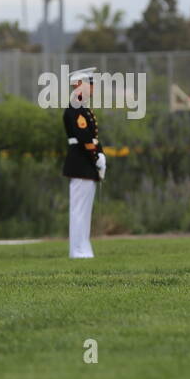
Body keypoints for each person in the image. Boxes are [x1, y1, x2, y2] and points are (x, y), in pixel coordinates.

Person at [63, 67, 104, 259]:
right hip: (81, 162)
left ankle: (83, 249)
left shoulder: (83, 108)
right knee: (79, 210)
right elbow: (84, 137)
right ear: (78, 85)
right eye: (90, 83)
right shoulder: (76, 108)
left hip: (85, 163)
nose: (93, 87)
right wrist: (96, 158)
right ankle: (78, 250)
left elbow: (92, 138)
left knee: (84, 211)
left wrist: (99, 155)